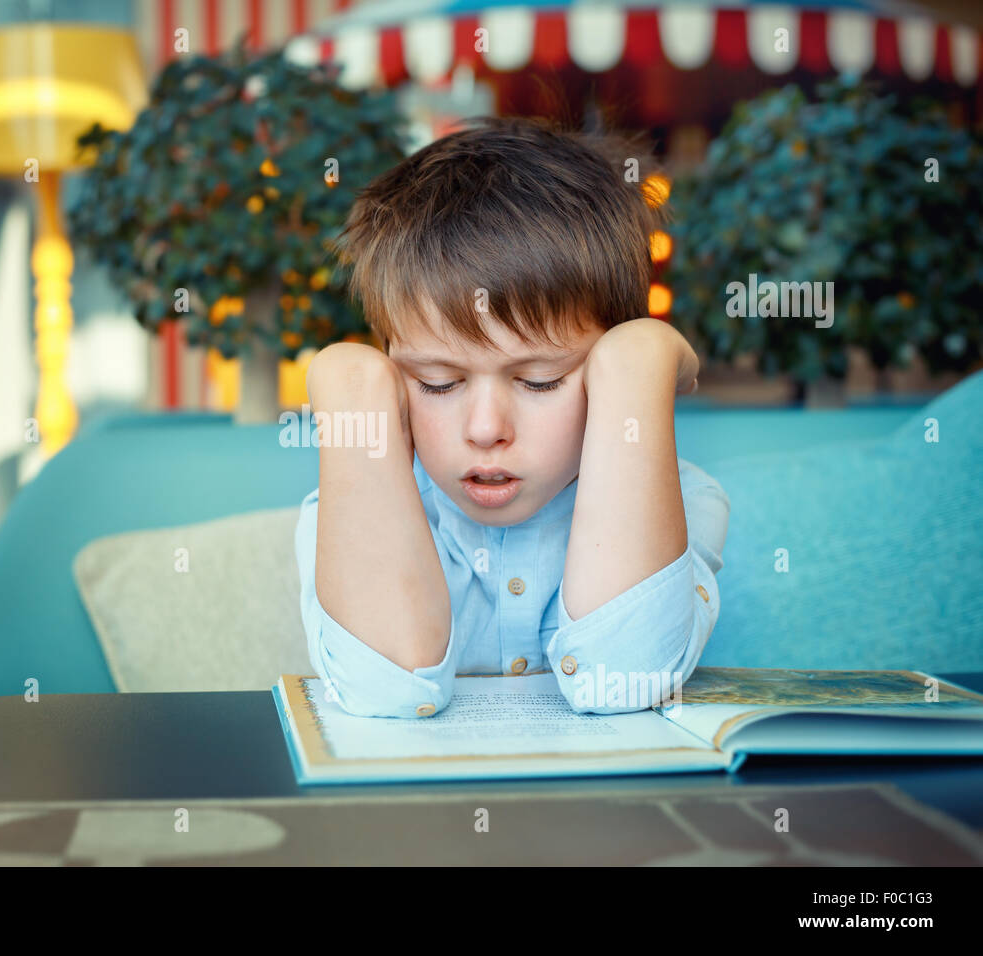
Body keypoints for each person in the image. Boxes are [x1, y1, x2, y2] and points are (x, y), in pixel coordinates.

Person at [294, 115, 729, 718]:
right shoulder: (348, 506)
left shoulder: (683, 498)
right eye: (437, 383)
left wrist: (637, 363)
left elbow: (619, 680)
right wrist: (350, 384)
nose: (485, 429)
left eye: (539, 380)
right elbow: (386, 690)